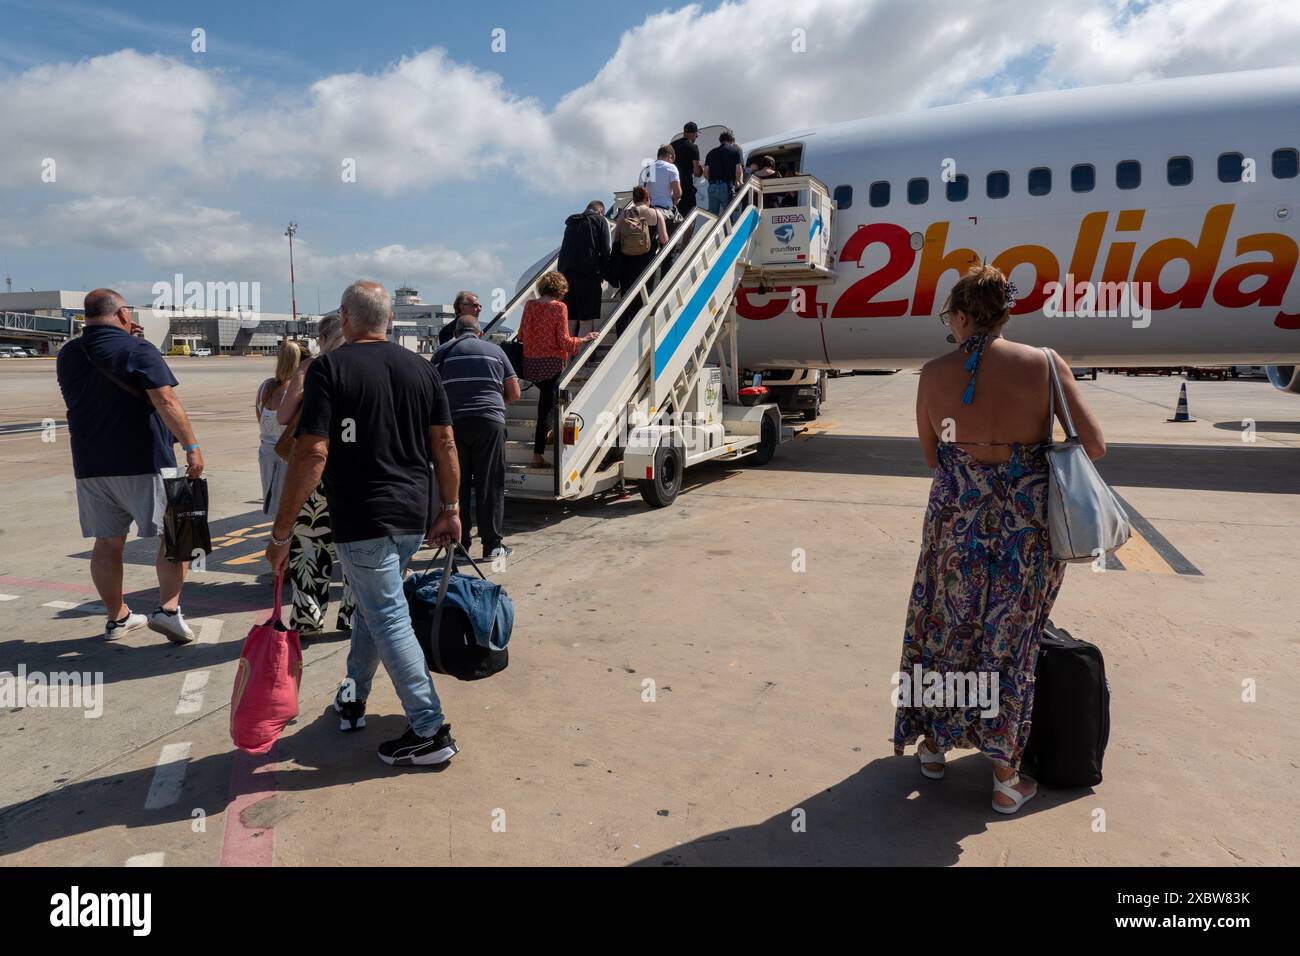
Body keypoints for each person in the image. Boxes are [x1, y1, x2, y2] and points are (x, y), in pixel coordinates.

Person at [892, 264, 1106, 814]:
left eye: (950, 318)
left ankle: (935, 747)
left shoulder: (933, 373)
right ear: (1006, 312)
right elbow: (1094, 445)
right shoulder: (1044, 365)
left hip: (954, 528)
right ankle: (1006, 777)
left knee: (944, 630)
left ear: (963, 315)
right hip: (1024, 534)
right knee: (1008, 643)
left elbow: (930, 457)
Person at [266, 280, 464, 766]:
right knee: (375, 614)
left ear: (346, 318)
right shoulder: (422, 367)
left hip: (363, 518)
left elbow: (312, 452)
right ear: (390, 321)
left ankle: (429, 728)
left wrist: (282, 531)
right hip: (410, 516)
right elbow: (446, 444)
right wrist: (452, 507)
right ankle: (353, 696)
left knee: (388, 617)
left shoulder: (331, 368)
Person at [56, 288, 203, 643]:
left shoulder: (69, 353)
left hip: (90, 464)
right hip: (145, 459)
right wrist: (191, 447)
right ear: (123, 314)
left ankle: (118, 617)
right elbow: (165, 400)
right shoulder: (139, 350)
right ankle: (168, 610)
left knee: (107, 543)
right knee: (178, 535)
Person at [276, 314, 355, 636]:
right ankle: (352, 614)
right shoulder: (359, 365)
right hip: (355, 468)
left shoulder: (312, 368)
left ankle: (309, 617)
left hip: (315, 468)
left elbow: (282, 416)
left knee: (310, 544)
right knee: (354, 543)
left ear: (322, 339)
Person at [432, 301, 521, 560]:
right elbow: (514, 394)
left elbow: (433, 393)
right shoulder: (495, 351)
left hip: (454, 425)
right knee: (490, 484)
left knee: (457, 485)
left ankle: (460, 547)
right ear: (479, 332)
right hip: (490, 424)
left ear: (456, 333)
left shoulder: (441, 353)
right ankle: (493, 546)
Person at [517, 271, 597, 468]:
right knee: (546, 408)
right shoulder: (559, 308)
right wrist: (584, 339)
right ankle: (538, 453)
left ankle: (550, 435)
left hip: (530, 365)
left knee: (548, 404)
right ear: (560, 290)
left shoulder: (530, 306)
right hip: (551, 365)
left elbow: (521, 335)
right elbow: (564, 341)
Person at [255, 340, 302, 517]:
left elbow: (259, 417)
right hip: (287, 452)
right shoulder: (296, 390)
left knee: (270, 499)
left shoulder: (265, 387)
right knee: (290, 503)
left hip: (266, 451)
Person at [613, 185, 670, 329]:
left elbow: (617, 239)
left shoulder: (624, 214)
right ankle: (639, 329)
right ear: (648, 199)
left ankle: (623, 331)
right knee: (643, 296)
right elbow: (664, 240)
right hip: (646, 262)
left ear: (633, 199)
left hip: (627, 262)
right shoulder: (655, 213)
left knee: (626, 298)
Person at [557, 201, 611, 338]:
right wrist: (606, 273)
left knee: (570, 322)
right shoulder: (600, 220)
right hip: (588, 277)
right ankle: (581, 358)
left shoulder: (572, 222)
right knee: (586, 321)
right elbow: (606, 250)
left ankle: (568, 359)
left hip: (566, 276)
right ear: (601, 211)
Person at [704, 129, 744, 216]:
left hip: (712, 186)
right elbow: (738, 170)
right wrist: (738, 181)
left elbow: (705, 172)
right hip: (726, 186)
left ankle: (712, 229)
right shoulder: (735, 151)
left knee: (712, 216)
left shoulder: (710, 153)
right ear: (732, 140)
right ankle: (726, 230)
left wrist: (712, 180)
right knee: (727, 215)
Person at [638, 145, 682, 223]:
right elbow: (677, 194)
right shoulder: (671, 167)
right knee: (685, 226)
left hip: (645, 212)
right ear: (669, 156)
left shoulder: (645, 170)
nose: (672, 162)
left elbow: (639, 195)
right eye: (672, 160)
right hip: (663, 211)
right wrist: (675, 201)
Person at [670, 122, 703, 218]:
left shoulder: (672, 145)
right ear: (693, 134)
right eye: (696, 134)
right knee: (689, 218)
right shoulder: (693, 147)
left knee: (674, 219)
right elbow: (697, 172)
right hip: (686, 189)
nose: (696, 136)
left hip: (672, 188)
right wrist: (701, 170)